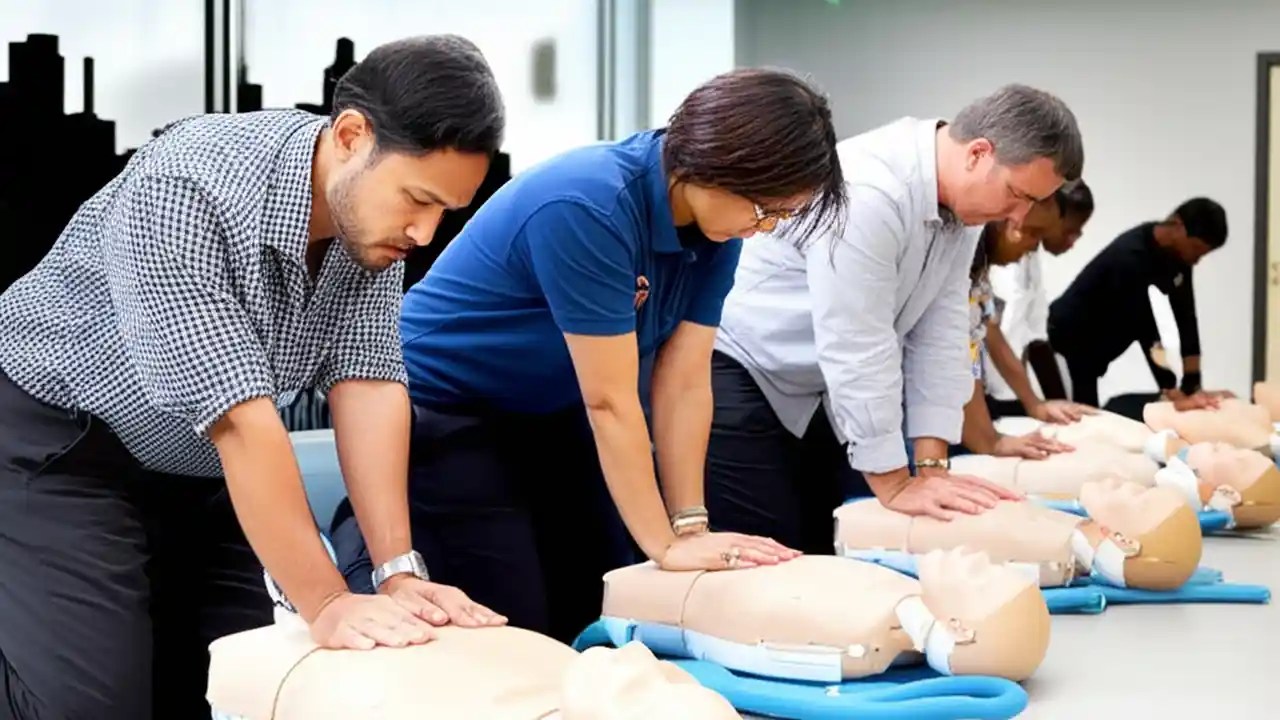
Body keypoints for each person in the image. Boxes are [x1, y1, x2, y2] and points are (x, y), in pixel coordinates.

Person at [0, 35, 507, 720]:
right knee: (89, 705)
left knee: (232, 682)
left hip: (198, 467)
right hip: (59, 442)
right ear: (353, 135)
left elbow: (370, 382)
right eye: (418, 199)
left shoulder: (372, 231)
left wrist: (395, 573)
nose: (425, 232)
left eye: (446, 209)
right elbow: (241, 420)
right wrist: (325, 601)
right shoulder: (186, 187)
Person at [329, 68, 848, 645]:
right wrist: (667, 545)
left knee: (600, 593)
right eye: (764, 209)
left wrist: (689, 525)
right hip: (446, 410)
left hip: (552, 412)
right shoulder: (591, 203)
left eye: (781, 216)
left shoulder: (718, 233)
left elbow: (683, 383)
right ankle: (360, 550)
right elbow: (610, 400)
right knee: (514, 620)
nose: (765, 227)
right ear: (719, 166)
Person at [706, 83, 1084, 543]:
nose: (1019, 218)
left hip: (815, 384)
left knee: (830, 538)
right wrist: (894, 482)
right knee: (773, 548)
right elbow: (857, 341)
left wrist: (930, 465)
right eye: (1017, 194)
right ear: (978, 154)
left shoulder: (963, 208)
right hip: (743, 369)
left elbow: (941, 330)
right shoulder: (871, 190)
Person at [1047, 197, 1229, 412]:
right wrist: (1169, 388)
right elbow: (1146, 329)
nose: (1197, 260)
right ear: (1178, 226)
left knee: (1089, 418)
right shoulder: (1131, 256)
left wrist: (1193, 384)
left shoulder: (1179, 256)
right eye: (1196, 249)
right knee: (1082, 421)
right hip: (1065, 342)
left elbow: (1186, 316)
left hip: (1094, 350)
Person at [960, 195, 1095, 460]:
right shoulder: (959, 260)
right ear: (1007, 220)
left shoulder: (979, 269)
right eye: (1032, 233)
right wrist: (989, 440)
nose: (1034, 246)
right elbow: (961, 355)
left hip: (961, 404)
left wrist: (1034, 403)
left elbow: (989, 333)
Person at [984, 179, 1095, 410]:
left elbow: (1034, 337)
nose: (1072, 241)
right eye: (1070, 230)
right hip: (980, 394)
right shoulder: (997, 261)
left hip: (1006, 392)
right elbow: (989, 333)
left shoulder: (1029, 258)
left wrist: (1047, 405)